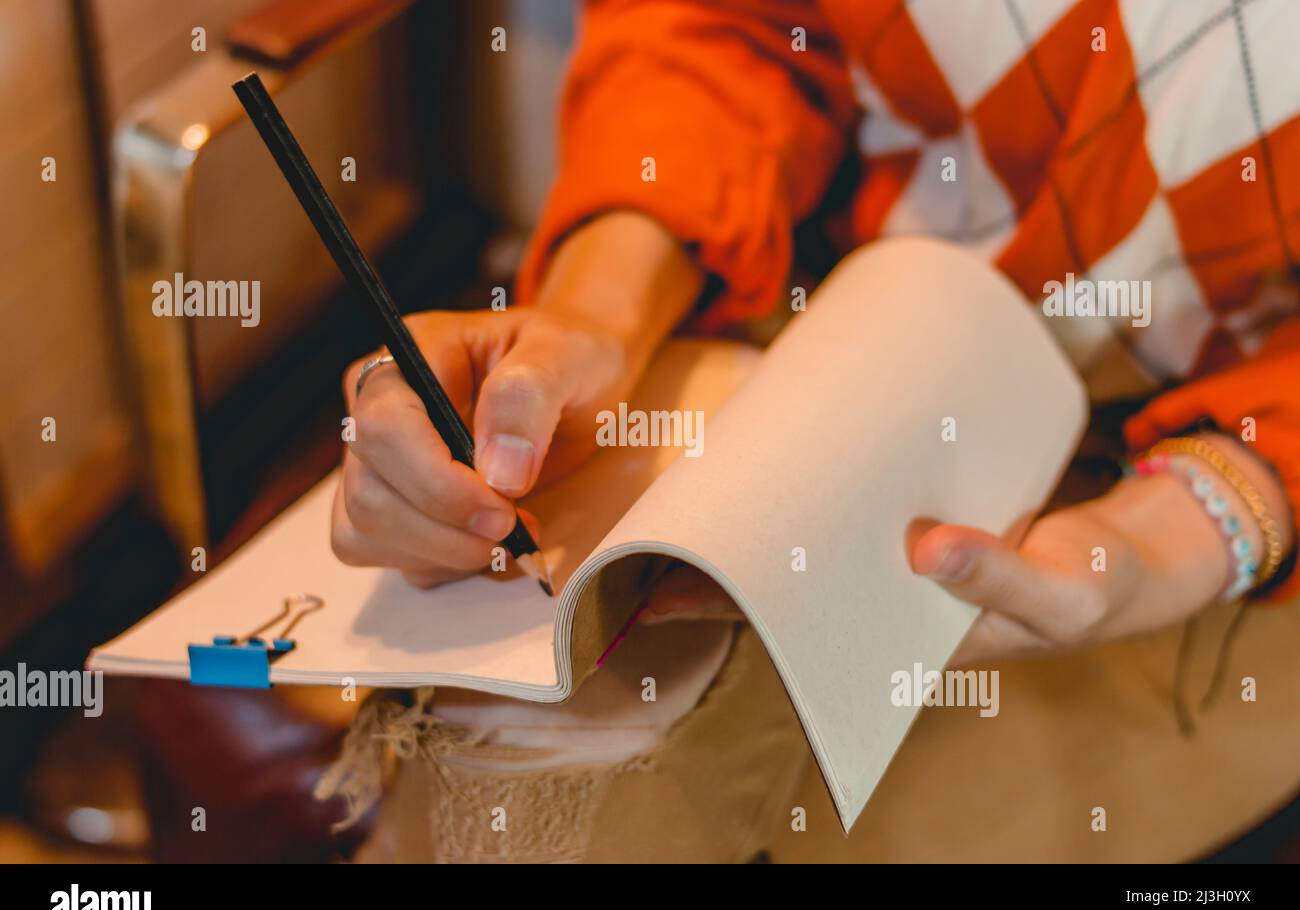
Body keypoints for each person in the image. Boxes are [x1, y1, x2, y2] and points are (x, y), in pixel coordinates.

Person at [333, 0, 1299, 665]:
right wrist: (596, 310)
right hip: (796, 334)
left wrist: (1202, 523)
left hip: (1192, 492)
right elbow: (733, 27)